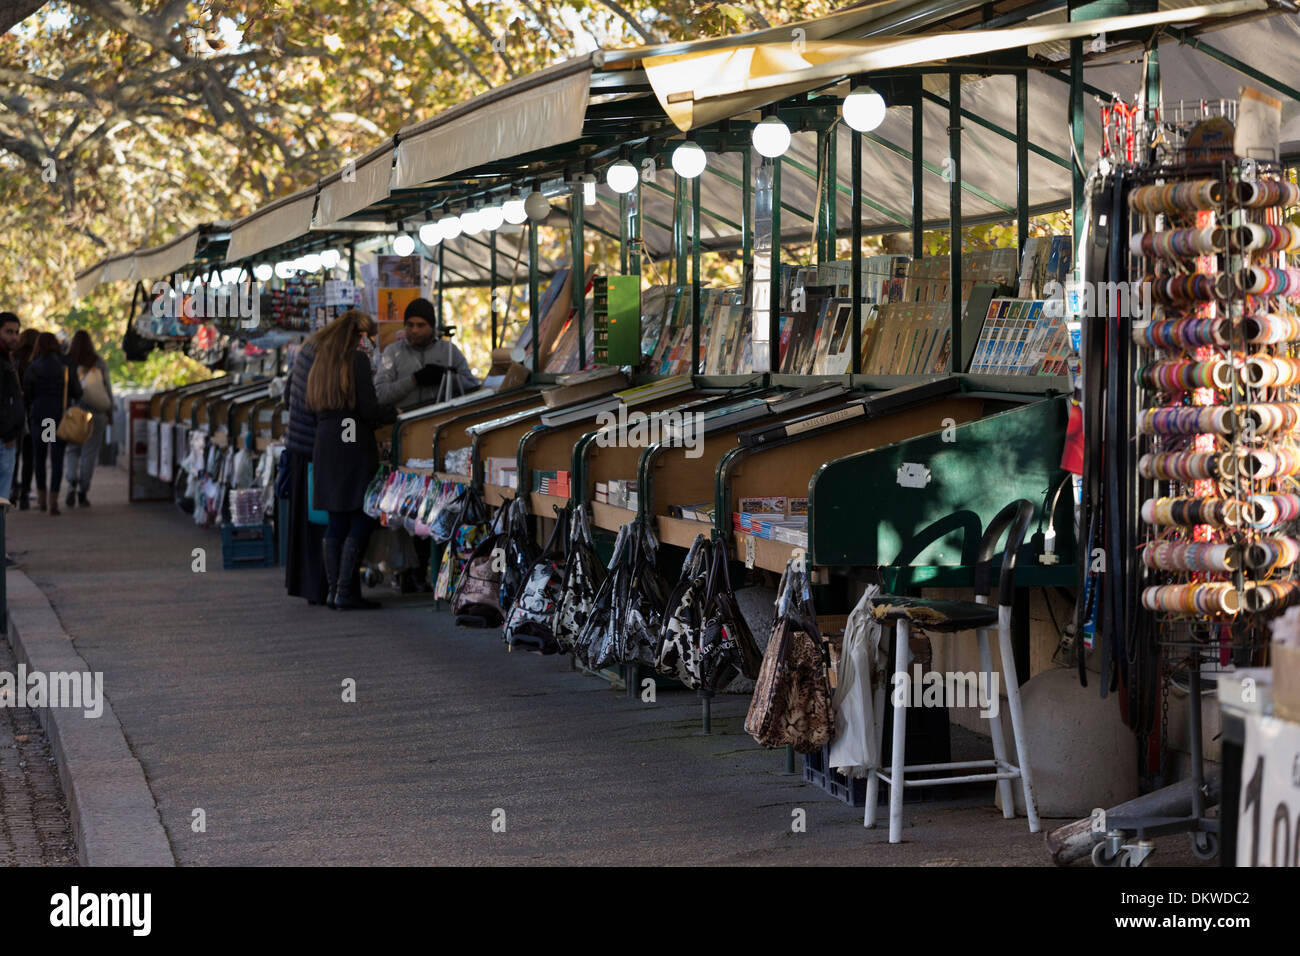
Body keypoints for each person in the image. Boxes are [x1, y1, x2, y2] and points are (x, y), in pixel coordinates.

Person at [307, 310, 396, 610]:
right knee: (362, 513)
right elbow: (368, 409)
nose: (369, 341)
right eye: (367, 336)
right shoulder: (356, 360)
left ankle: (335, 591)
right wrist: (391, 414)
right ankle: (346, 591)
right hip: (353, 441)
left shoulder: (322, 361)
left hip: (327, 441)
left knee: (336, 518)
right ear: (357, 336)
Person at [283, 337, 329, 605]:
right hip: (311, 448)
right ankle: (319, 586)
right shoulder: (319, 363)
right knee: (318, 520)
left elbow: (288, 397)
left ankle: (311, 586)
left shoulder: (304, 356)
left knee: (307, 523)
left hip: (300, 447)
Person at [373, 297, 479, 410]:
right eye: (410, 325)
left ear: (432, 327)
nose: (414, 330)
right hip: (406, 424)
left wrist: (448, 378)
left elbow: (472, 386)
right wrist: (414, 380)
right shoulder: (392, 352)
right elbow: (381, 395)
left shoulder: (449, 351)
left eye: (420, 325)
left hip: (441, 421)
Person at [22, 331, 81, 515]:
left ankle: (42, 500)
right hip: (58, 417)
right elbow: (77, 392)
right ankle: (54, 501)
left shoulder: (34, 367)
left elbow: (27, 394)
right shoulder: (65, 366)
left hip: (39, 417)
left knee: (39, 458)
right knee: (57, 459)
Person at [63, 330, 113, 508]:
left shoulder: (67, 361)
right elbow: (107, 388)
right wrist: (110, 411)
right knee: (89, 454)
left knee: (72, 451)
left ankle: (71, 484)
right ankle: (83, 491)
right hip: (96, 414)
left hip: (73, 413)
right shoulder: (98, 362)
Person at [0, 312, 24, 507]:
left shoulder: (10, 360)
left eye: (17, 332)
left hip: (36, 421)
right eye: (9, 332)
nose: (14, 336)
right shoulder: (4, 361)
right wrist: (8, 432)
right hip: (45, 421)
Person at [12, 327, 37, 508]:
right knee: (33, 455)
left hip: (17, 414)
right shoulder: (39, 360)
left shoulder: (13, 358)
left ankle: (13, 489)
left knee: (14, 453)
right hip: (44, 417)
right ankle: (27, 493)